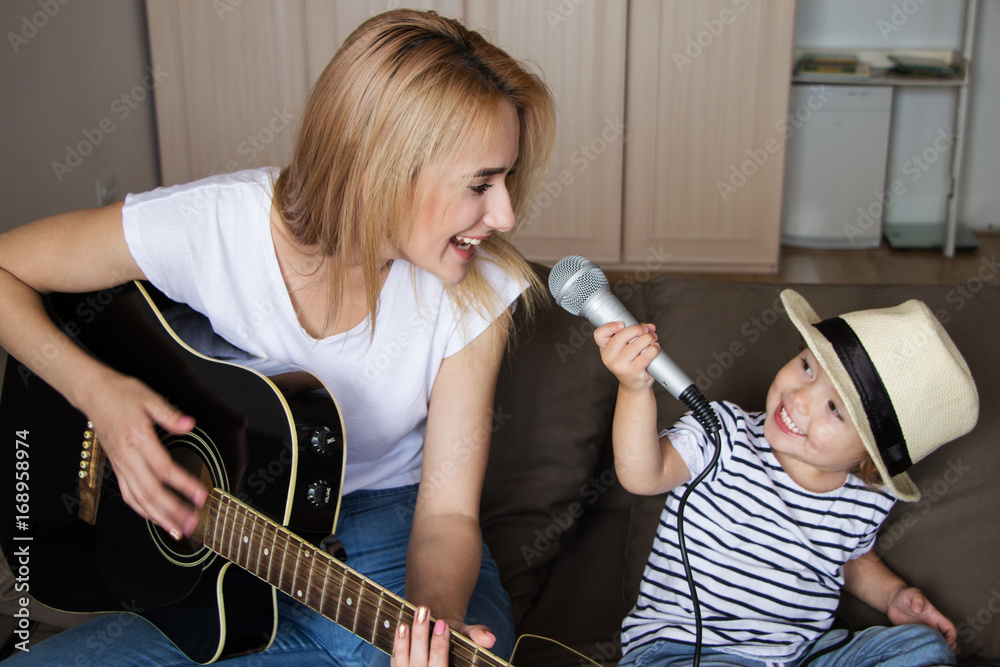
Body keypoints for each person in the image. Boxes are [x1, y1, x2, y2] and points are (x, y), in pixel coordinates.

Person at [0, 9, 554, 666]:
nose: (507, 214)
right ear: (382, 169)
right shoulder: (214, 226)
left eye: (507, 179)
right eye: (480, 185)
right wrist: (102, 396)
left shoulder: (475, 289)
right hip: (218, 537)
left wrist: (433, 623)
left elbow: (447, 516)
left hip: (384, 531)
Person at [593, 289, 979, 667]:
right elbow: (642, 474)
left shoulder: (869, 495)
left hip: (800, 654)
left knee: (922, 645)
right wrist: (635, 387)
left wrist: (894, 596)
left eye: (834, 409)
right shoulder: (724, 432)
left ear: (870, 461)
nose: (800, 397)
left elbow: (852, 559)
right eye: (807, 366)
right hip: (686, 650)